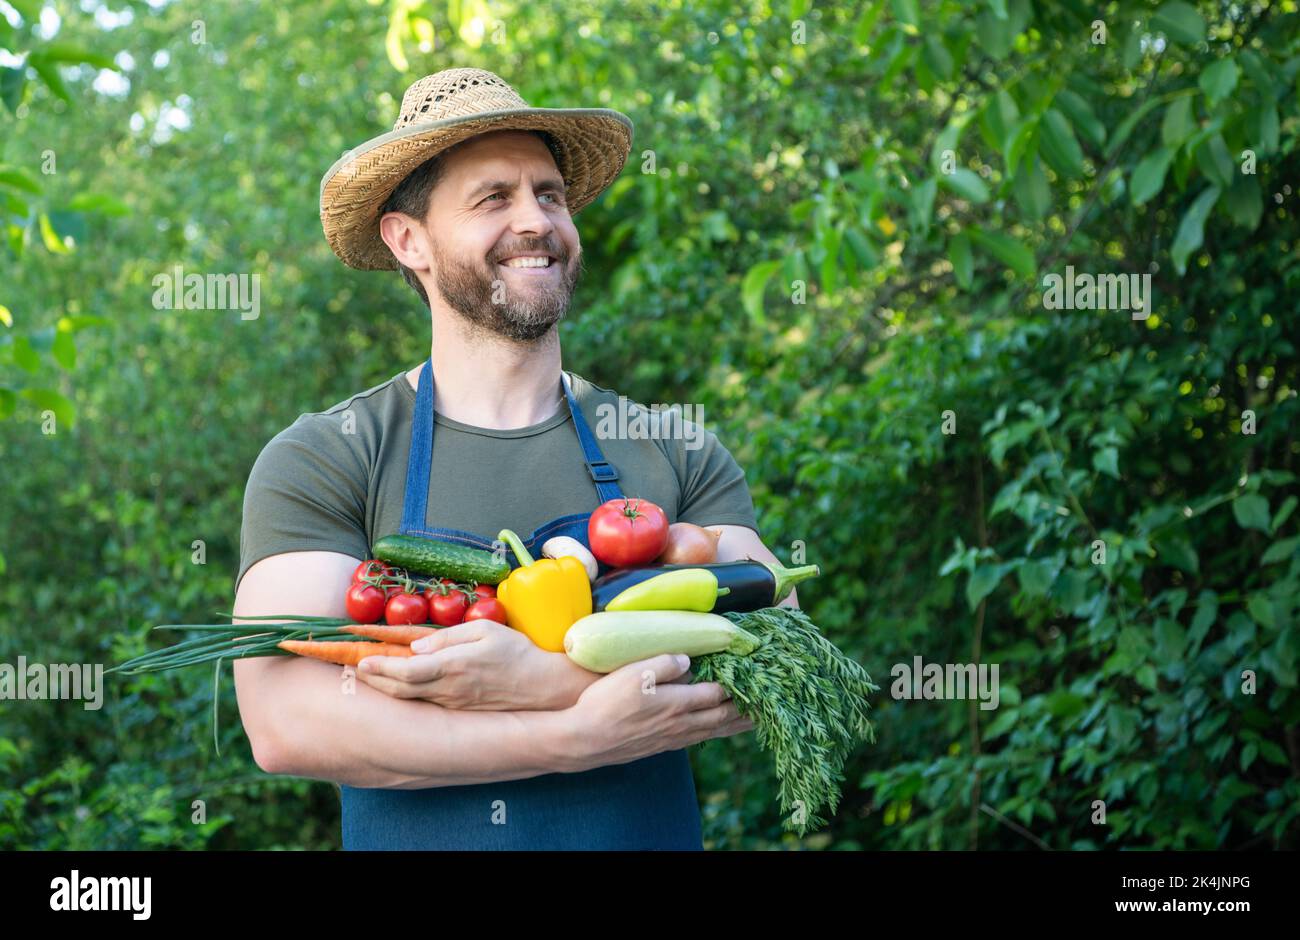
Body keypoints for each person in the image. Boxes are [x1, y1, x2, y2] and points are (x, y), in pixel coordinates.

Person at [232, 67, 799, 850]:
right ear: (409, 239)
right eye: (493, 197)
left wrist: (542, 680)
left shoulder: (673, 446)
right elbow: (289, 722)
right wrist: (569, 735)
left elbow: (781, 650)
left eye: (551, 194)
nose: (536, 221)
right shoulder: (329, 457)